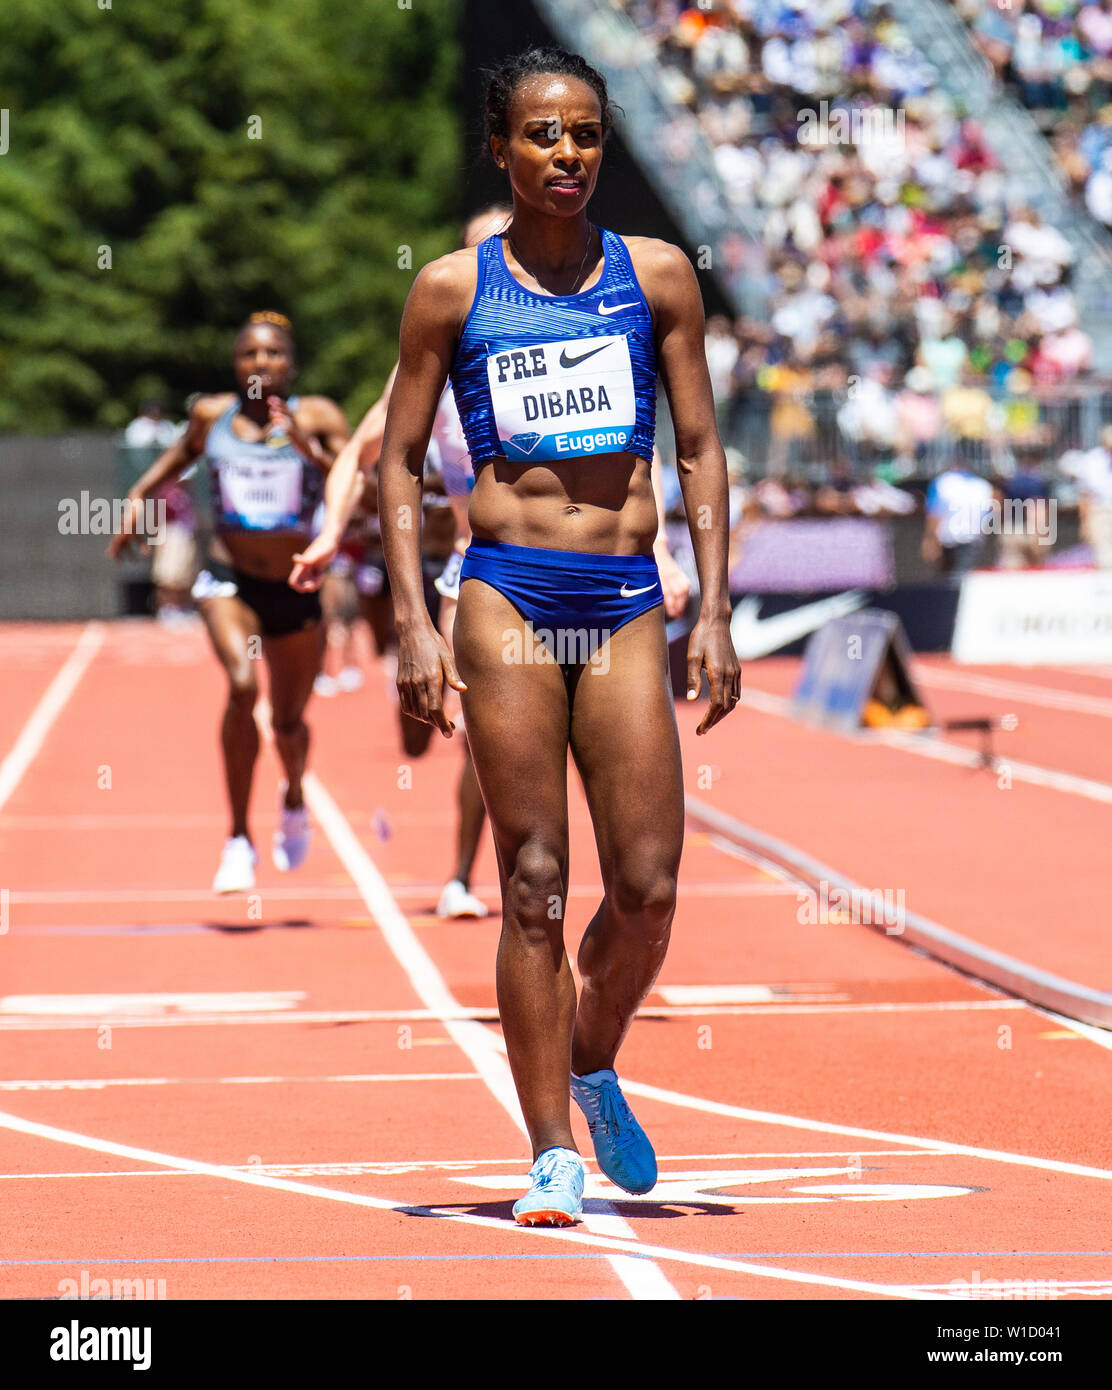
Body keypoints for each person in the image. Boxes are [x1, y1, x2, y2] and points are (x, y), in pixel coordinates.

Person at [376, 48, 740, 1226]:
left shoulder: (659, 277)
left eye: (583, 134)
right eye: (540, 136)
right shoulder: (448, 289)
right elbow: (392, 459)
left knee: (645, 890)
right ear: (501, 148)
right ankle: (548, 1151)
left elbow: (697, 448)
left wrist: (717, 606)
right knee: (532, 882)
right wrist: (413, 626)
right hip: (506, 597)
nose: (566, 154)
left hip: (627, 596)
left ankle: (592, 1056)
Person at [109, 312, 353, 892]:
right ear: (235, 364)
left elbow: (357, 483)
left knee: (290, 723)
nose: (260, 364)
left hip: (295, 582)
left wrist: (308, 449)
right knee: (243, 686)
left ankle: (293, 795)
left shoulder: (317, 415)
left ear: (291, 364)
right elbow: (181, 455)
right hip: (230, 577)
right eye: (248, 355)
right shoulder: (211, 414)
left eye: (272, 355)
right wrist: (141, 492)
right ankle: (239, 837)